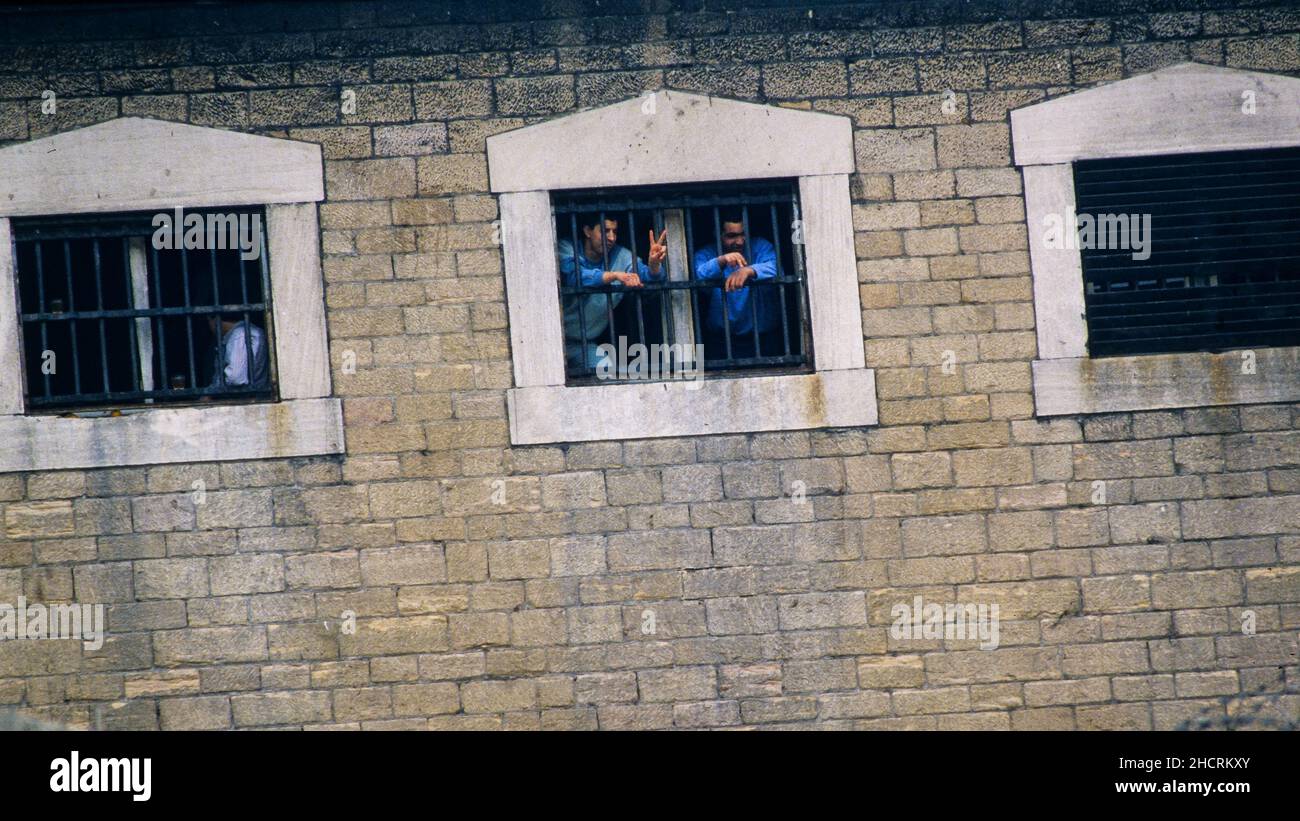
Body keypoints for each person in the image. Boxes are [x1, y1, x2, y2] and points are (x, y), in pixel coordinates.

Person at [556, 214, 667, 372]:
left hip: (583, 344)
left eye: (614, 232)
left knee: (606, 371)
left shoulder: (622, 256)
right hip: (551, 340)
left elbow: (645, 277)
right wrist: (613, 275)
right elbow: (574, 276)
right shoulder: (567, 248)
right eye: (605, 231)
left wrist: (654, 266)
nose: (611, 238)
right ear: (587, 231)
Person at [692, 209, 784, 359]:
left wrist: (749, 270)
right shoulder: (706, 253)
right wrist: (721, 260)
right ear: (717, 234)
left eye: (743, 234)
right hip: (721, 341)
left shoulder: (761, 247)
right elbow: (698, 276)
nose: (740, 241)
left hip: (765, 339)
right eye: (732, 236)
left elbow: (778, 268)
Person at [206, 313, 269, 392]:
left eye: (208, 321)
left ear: (215, 320)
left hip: (244, 398)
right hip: (257, 394)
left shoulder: (239, 334)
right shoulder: (253, 330)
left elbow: (235, 378)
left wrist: (213, 392)